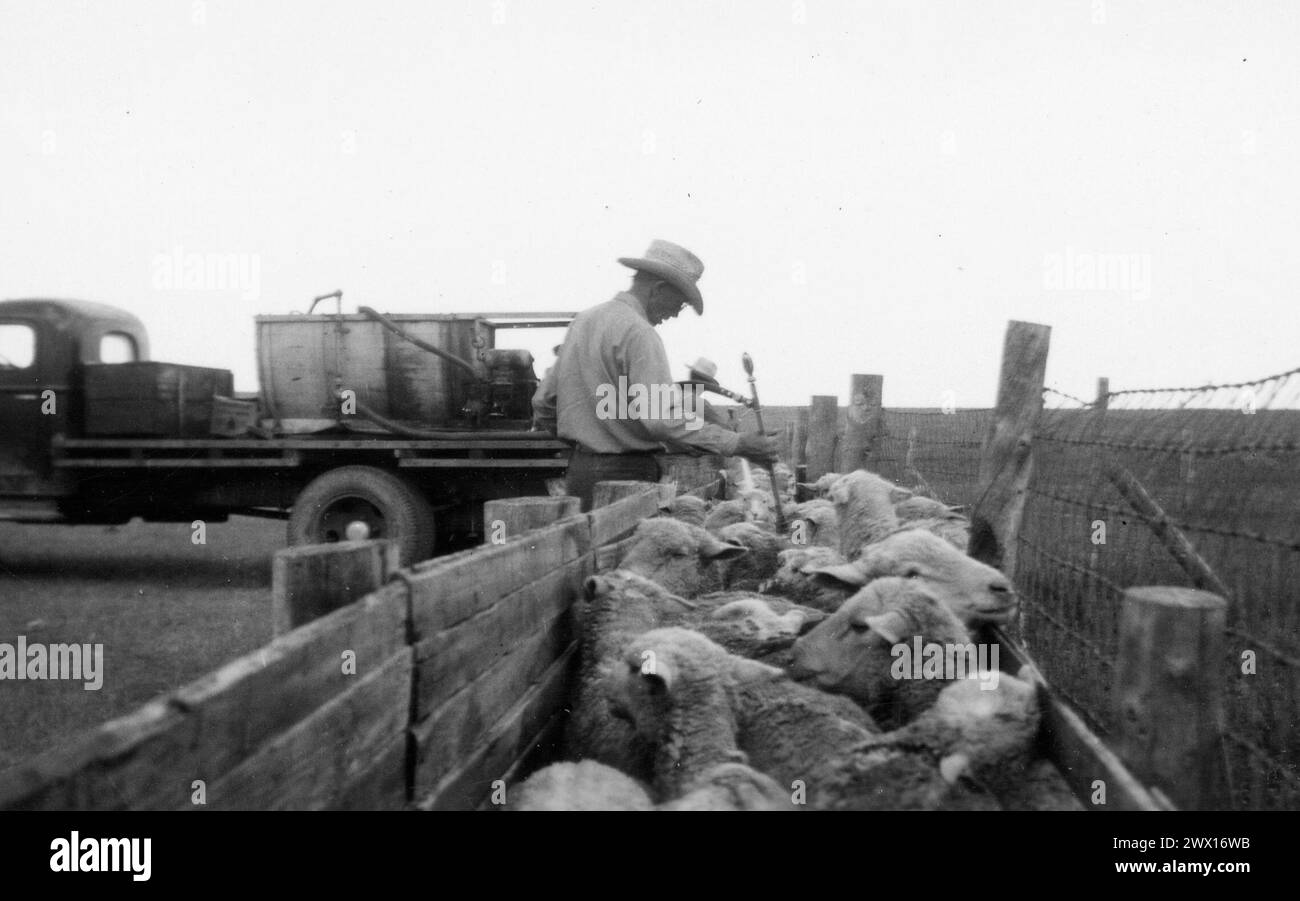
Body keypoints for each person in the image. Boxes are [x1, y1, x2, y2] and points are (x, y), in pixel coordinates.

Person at [533, 239, 778, 510]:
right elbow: (662, 419)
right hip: (626, 477)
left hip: (580, 472)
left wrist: (585, 440)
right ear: (659, 289)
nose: (675, 314)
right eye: (680, 303)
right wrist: (736, 442)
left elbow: (543, 402)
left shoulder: (583, 322)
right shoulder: (640, 333)